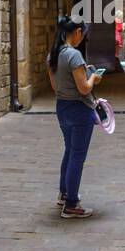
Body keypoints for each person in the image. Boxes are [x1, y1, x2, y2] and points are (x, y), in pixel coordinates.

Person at [48, 15, 101, 219]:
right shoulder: (74, 56)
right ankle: (71, 204)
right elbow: (84, 88)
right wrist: (93, 77)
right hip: (80, 110)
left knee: (69, 151)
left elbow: (55, 86)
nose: (82, 38)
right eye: (83, 35)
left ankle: (64, 193)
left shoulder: (53, 55)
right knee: (77, 157)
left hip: (62, 107)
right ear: (77, 32)